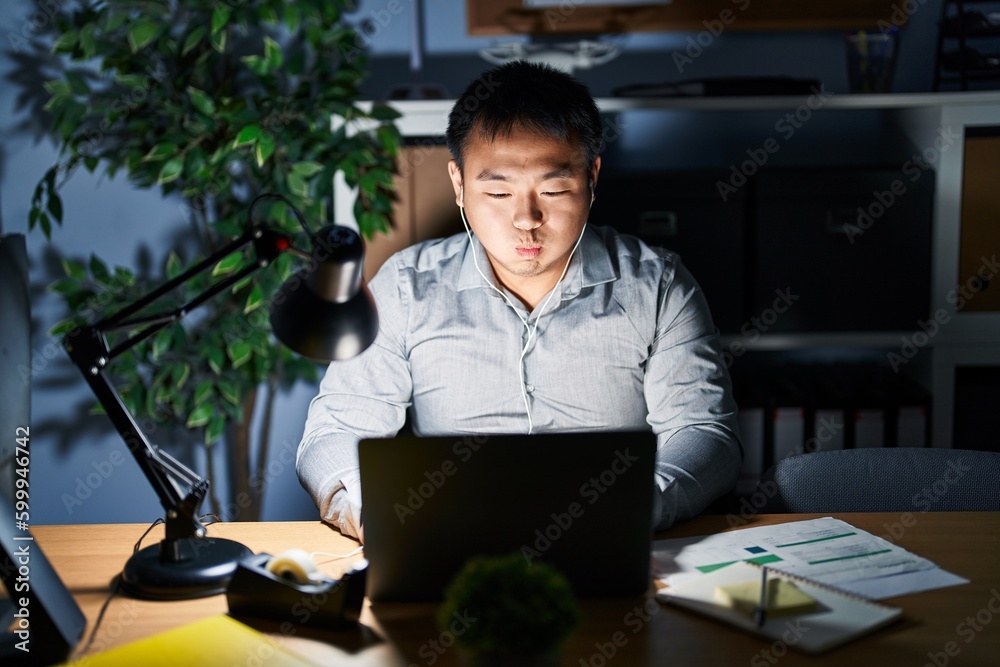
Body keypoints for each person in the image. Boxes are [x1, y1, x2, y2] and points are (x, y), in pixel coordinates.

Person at [296, 60, 742, 541]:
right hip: (446, 540)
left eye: (553, 189)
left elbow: (703, 433)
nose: (526, 218)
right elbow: (334, 432)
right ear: (459, 184)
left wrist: (636, 505)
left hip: (614, 539)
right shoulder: (405, 287)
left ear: (592, 176)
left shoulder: (659, 286)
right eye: (498, 191)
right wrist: (376, 511)